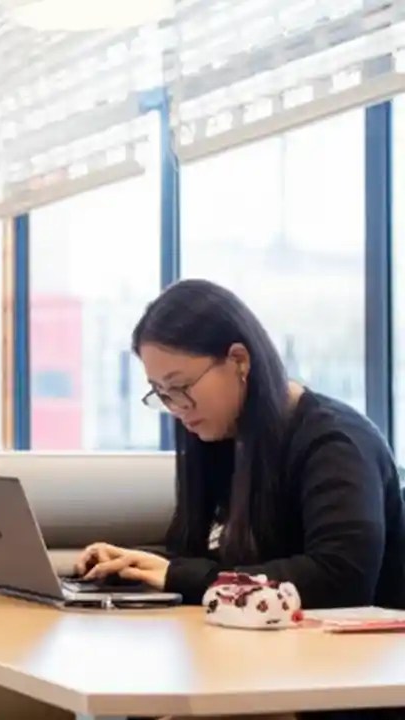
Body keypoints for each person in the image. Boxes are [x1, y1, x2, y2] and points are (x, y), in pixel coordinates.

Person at [74, 279, 405, 719]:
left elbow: (339, 579)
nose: (177, 407)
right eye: (162, 393)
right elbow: (201, 555)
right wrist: (135, 566)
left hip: (349, 687)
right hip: (265, 671)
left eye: (181, 386)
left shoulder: (335, 441)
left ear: (238, 360)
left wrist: (179, 575)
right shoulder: (221, 438)